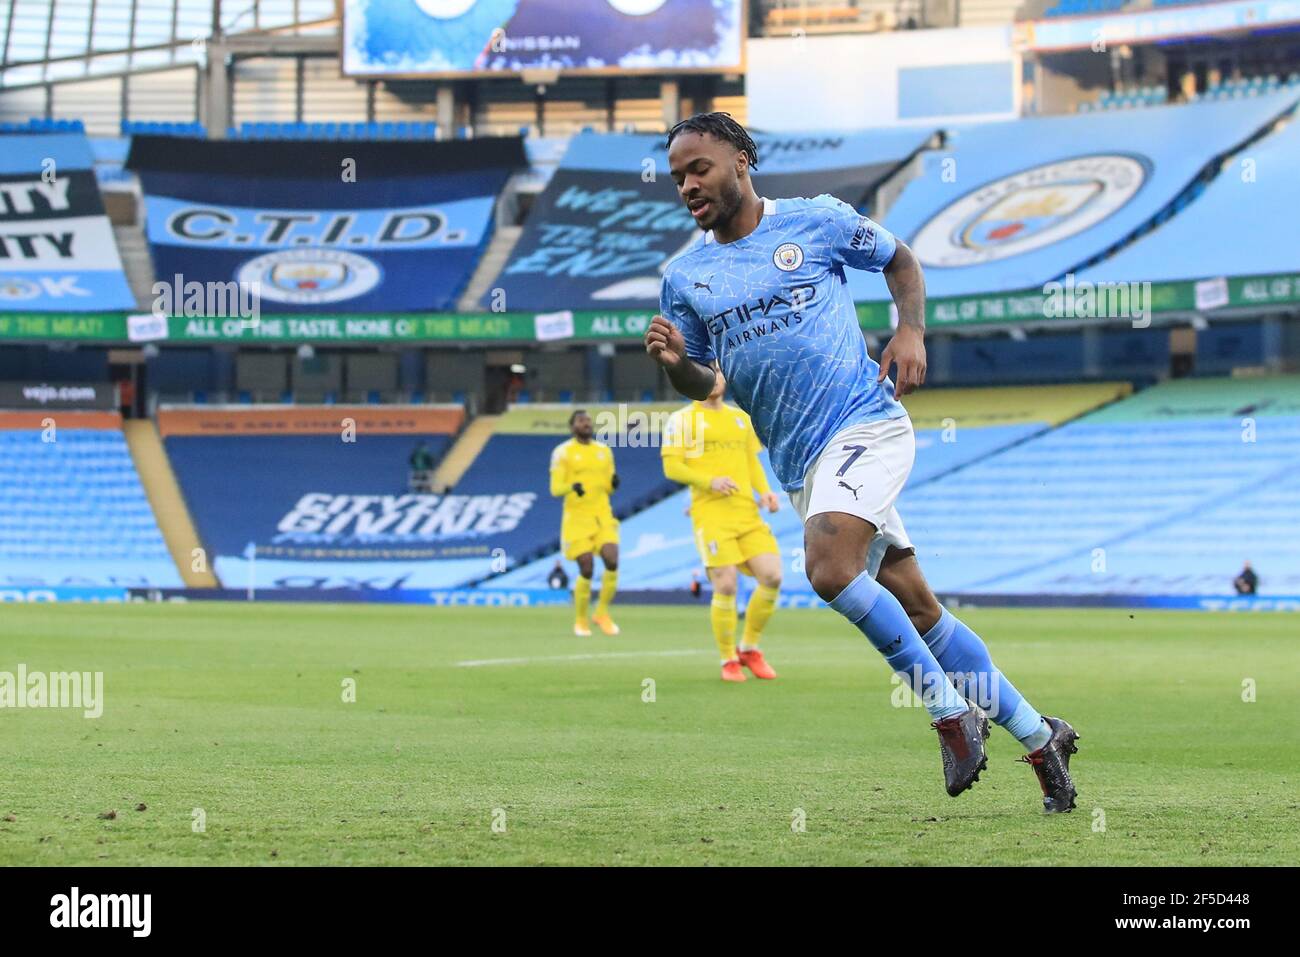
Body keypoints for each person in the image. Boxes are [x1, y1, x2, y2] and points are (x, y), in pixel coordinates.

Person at [644, 112, 1079, 812]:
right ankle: (1040, 734)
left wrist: (910, 328)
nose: (688, 185)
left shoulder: (814, 223)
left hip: (864, 425)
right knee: (920, 607)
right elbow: (703, 377)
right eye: (677, 177)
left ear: (741, 161)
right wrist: (675, 367)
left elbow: (901, 259)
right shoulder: (686, 277)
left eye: (699, 168)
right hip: (803, 464)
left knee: (828, 569)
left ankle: (948, 713)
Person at [661, 368, 782, 683]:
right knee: (726, 584)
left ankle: (750, 648)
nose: (715, 378)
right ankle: (728, 658)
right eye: (708, 373)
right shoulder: (682, 420)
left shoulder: (740, 418)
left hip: (746, 512)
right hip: (711, 514)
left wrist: (765, 491)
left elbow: (751, 461)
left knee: (772, 576)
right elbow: (672, 466)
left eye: (718, 372)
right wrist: (709, 481)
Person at [549, 410, 620, 636]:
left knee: (612, 559)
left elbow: (609, 487)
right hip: (577, 520)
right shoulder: (562, 452)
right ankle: (581, 620)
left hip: (602, 516)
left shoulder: (604, 451)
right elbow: (555, 488)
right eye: (581, 421)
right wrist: (572, 487)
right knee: (587, 567)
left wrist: (614, 484)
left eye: (588, 420)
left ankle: (601, 612)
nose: (586, 424)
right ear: (572, 427)